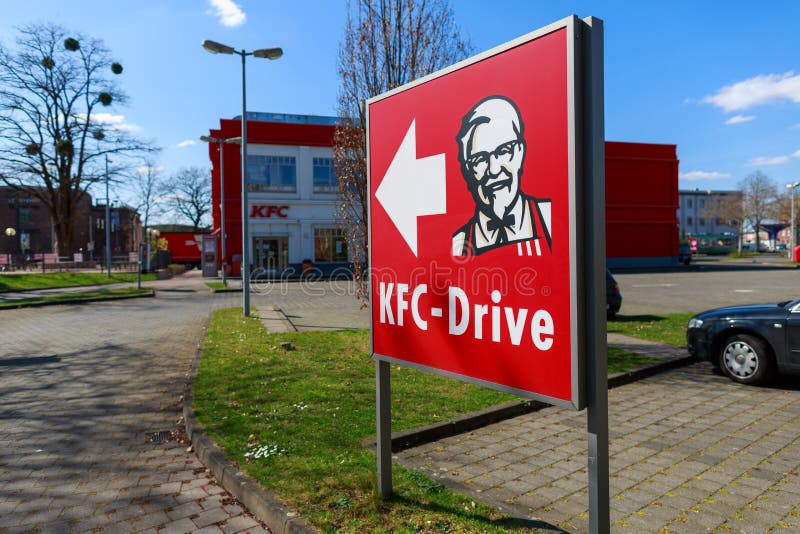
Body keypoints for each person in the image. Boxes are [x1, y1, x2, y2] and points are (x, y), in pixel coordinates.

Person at [452, 95, 552, 257]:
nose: (494, 169)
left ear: (520, 152)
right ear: (468, 170)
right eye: (480, 159)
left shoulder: (548, 219)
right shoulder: (458, 243)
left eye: (504, 151)